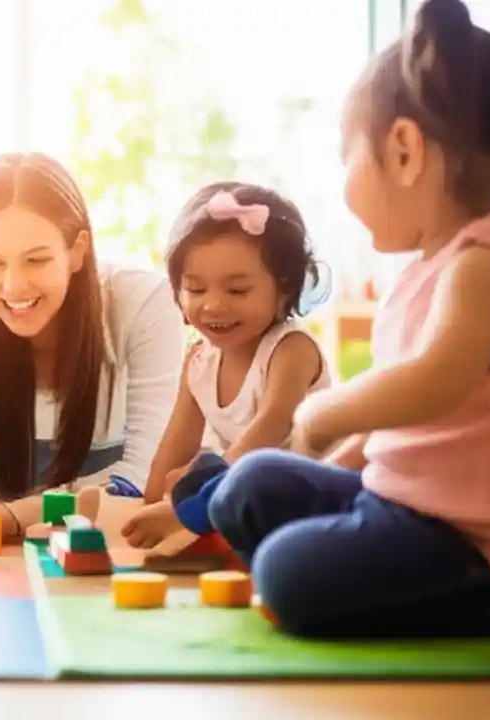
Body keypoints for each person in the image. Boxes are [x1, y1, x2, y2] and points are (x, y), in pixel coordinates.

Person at [209, 0, 490, 639]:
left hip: (486, 559)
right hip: (415, 511)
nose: (343, 177)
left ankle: (315, 586)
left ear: (404, 151)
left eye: (347, 154)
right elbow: (413, 427)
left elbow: (437, 380)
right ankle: (334, 578)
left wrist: (322, 415)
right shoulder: (439, 266)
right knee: (248, 485)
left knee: (283, 570)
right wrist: (323, 468)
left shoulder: (483, 264)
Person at [0, 152, 186, 544]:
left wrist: (13, 516)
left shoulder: (145, 301)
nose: (13, 286)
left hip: (97, 453)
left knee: (106, 498)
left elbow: (139, 477)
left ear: (77, 251)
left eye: (36, 260)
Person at [121, 182, 332, 549]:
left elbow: (271, 428)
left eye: (237, 291)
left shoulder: (291, 349)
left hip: (308, 501)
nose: (214, 306)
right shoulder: (199, 362)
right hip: (241, 496)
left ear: (284, 289)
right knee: (182, 482)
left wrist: (189, 501)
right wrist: (152, 504)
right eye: (196, 289)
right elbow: (172, 452)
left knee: (216, 482)